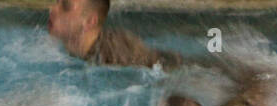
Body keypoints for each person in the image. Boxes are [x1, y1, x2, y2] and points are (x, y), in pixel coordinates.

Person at [47, 0, 181, 71]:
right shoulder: (76, 51)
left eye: (66, 6)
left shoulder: (113, 57)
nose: (52, 9)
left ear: (89, 22)